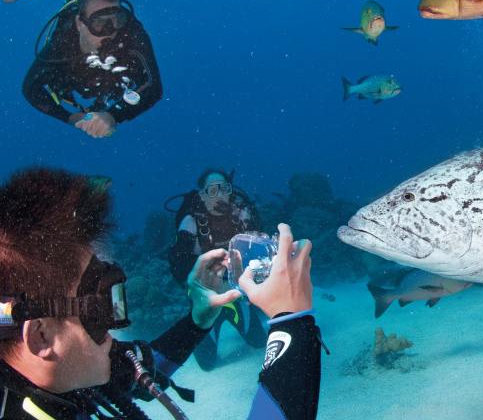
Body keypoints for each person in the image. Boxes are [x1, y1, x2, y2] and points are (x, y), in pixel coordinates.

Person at [0, 167, 322, 419]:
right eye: (100, 308)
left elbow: (141, 371)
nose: (114, 326)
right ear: (40, 336)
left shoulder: (55, 375)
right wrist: (292, 321)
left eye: (115, 297)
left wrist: (197, 321)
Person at [21, 0, 162, 138]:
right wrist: (69, 117)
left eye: (116, 18)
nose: (110, 31)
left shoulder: (132, 33)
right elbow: (31, 88)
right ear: (80, 23)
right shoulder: (63, 42)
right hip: (72, 78)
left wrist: (113, 115)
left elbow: (153, 86)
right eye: (99, 22)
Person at [168, 168, 268, 371]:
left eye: (224, 188)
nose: (220, 195)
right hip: (206, 299)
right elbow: (178, 267)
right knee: (207, 364)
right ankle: (207, 322)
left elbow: (261, 251)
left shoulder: (242, 215)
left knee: (259, 342)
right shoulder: (191, 222)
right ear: (202, 195)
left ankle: (235, 313)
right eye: (212, 190)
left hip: (236, 295)